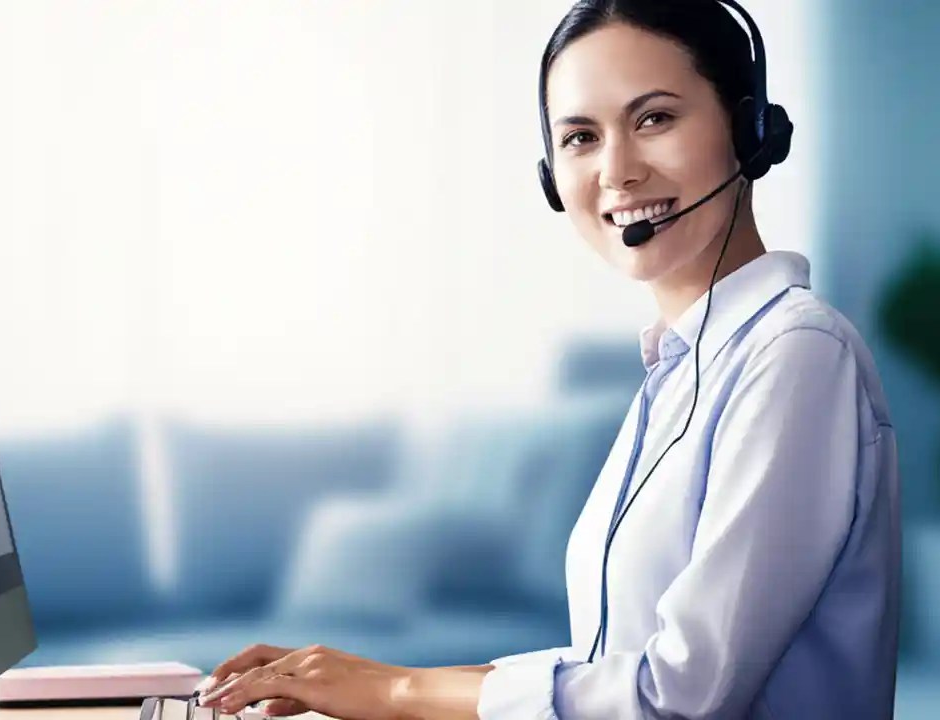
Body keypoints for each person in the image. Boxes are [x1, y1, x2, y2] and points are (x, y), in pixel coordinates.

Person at [196, 0, 902, 717]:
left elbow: (680, 697)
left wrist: (399, 692)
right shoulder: (681, 370)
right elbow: (611, 664)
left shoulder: (797, 355)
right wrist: (360, 677)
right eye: (581, 137)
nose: (618, 171)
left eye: (654, 118)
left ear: (751, 133)